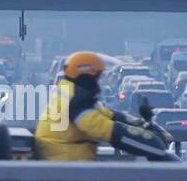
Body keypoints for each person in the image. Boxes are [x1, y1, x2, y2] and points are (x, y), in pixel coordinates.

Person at [34, 51, 173, 161]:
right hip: (63, 177)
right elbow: (102, 128)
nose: (99, 82)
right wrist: (150, 143)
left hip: (68, 166)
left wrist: (141, 124)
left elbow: (109, 115)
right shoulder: (75, 103)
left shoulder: (71, 95)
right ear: (86, 76)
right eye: (97, 77)